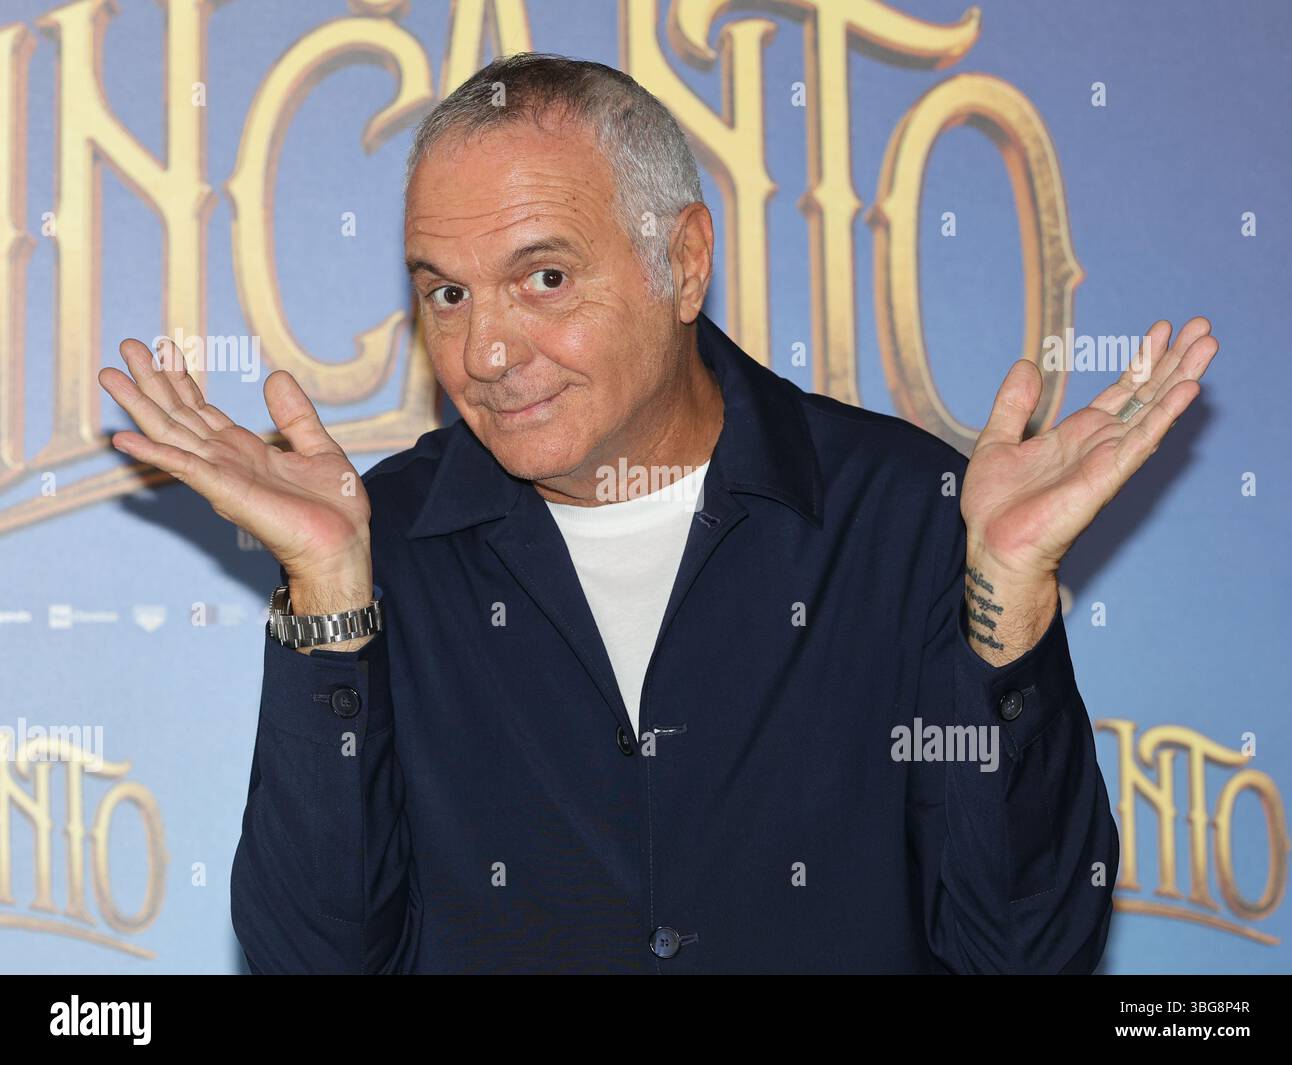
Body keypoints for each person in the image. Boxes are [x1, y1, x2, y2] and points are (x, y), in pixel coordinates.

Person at [98, 53, 1219, 974]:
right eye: (445, 291)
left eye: (542, 278)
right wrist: (330, 603)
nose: (484, 352)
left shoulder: (908, 517)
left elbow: (1024, 954)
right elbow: (315, 964)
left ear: (682, 264)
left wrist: (1008, 606)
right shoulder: (374, 547)